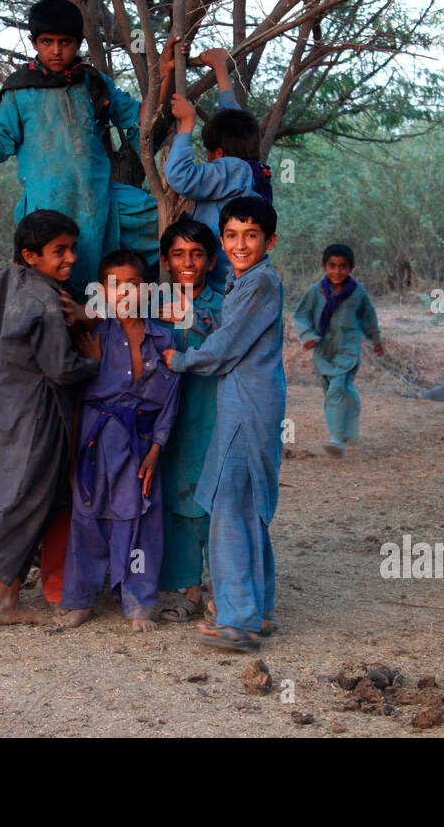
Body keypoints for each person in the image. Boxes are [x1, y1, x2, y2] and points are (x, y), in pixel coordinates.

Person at [0, 195, 100, 632]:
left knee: (46, 502)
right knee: (24, 503)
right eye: (59, 251)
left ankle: (6, 599)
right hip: (39, 418)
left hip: (7, 412)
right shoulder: (48, 302)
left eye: (72, 248)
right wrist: (96, 357)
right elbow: (62, 370)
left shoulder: (12, 279)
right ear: (32, 256)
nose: (71, 259)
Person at [0, 0, 145, 295]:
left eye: (65, 42)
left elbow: (137, 118)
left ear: (78, 42)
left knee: (132, 236)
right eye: (47, 41)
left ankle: (136, 324)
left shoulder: (93, 82)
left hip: (96, 199)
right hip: (45, 205)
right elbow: (1, 143)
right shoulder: (20, 89)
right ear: (33, 42)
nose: (56, 50)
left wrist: (166, 76)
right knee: (45, 286)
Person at [161, 197, 285, 653]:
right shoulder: (246, 282)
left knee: (229, 507)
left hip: (245, 405)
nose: (240, 244)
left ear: (269, 240)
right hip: (254, 403)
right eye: (231, 235)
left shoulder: (257, 283)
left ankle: (236, 622)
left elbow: (224, 348)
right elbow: (230, 327)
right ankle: (261, 608)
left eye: (250, 235)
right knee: (247, 504)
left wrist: (181, 359)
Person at [58, 251, 180, 633]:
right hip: (97, 438)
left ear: (147, 289)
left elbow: (172, 399)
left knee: (143, 517)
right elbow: (78, 397)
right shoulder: (93, 335)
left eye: (132, 284)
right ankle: (81, 599)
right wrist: (72, 454)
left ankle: (139, 604)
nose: (123, 292)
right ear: (102, 291)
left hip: (142, 441)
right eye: (114, 285)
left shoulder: (164, 338)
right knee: (87, 515)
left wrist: (157, 450)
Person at [153, 218, 223, 622]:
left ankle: (222, 591)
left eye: (197, 254)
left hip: (211, 413)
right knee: (177, 502)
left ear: (212, 261)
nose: (188, 262)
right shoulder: (152, 304)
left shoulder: (224, 304)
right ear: (165, 261)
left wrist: (195, 318)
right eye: (178, 254)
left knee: (215, 501)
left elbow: (228, 348)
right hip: (168, 422)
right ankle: (191, 591)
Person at [163, 45, 273, 294]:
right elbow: (233, 116)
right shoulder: (251, 171)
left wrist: (187, 124)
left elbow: (180, 176)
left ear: (219, 154)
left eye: (210, 154)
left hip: (219, 280)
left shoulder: (229, 169)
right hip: (237, 276)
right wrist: (220, 68)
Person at [292, 244, 384, 456]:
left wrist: (376, 339)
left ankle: (336, 438)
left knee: (337, 388)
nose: (337, 271)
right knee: (332, 390)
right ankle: (348, 428)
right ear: (324, 267)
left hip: (348, 349)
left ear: (351, 268)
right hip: (323, 349)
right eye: (332, 266)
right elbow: (300, 315)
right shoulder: (316, 292)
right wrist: (307, 336)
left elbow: (368, 316)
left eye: (343, 267)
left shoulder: (358, 292)